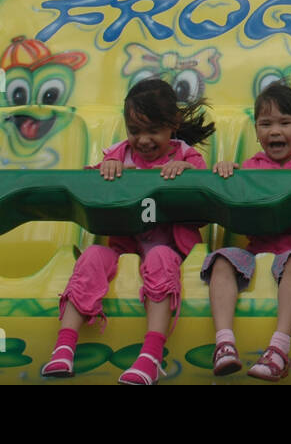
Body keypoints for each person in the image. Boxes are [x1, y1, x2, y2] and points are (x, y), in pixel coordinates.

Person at [40, 78, 214, 384]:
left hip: (171, 252)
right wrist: (105, 171)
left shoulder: (185, 156)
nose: (143, 140)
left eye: (152, 131)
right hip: (125, 251)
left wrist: (187, 173)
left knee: (160, 255)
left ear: (172, 125)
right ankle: (64, 347)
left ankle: (150, 355)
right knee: (93, 255)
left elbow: (205, 193)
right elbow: (91, 186)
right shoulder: (118, 155)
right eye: (135, 131)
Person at [201, 82, 291, 381]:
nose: (275, 131)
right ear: (256, 130)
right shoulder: (251, 165)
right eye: (266, 124)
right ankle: (224, 343)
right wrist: (226, 172)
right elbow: (233, 196)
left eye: (285, 123)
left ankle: (279, 349)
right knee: (221, 260)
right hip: (255, 252)